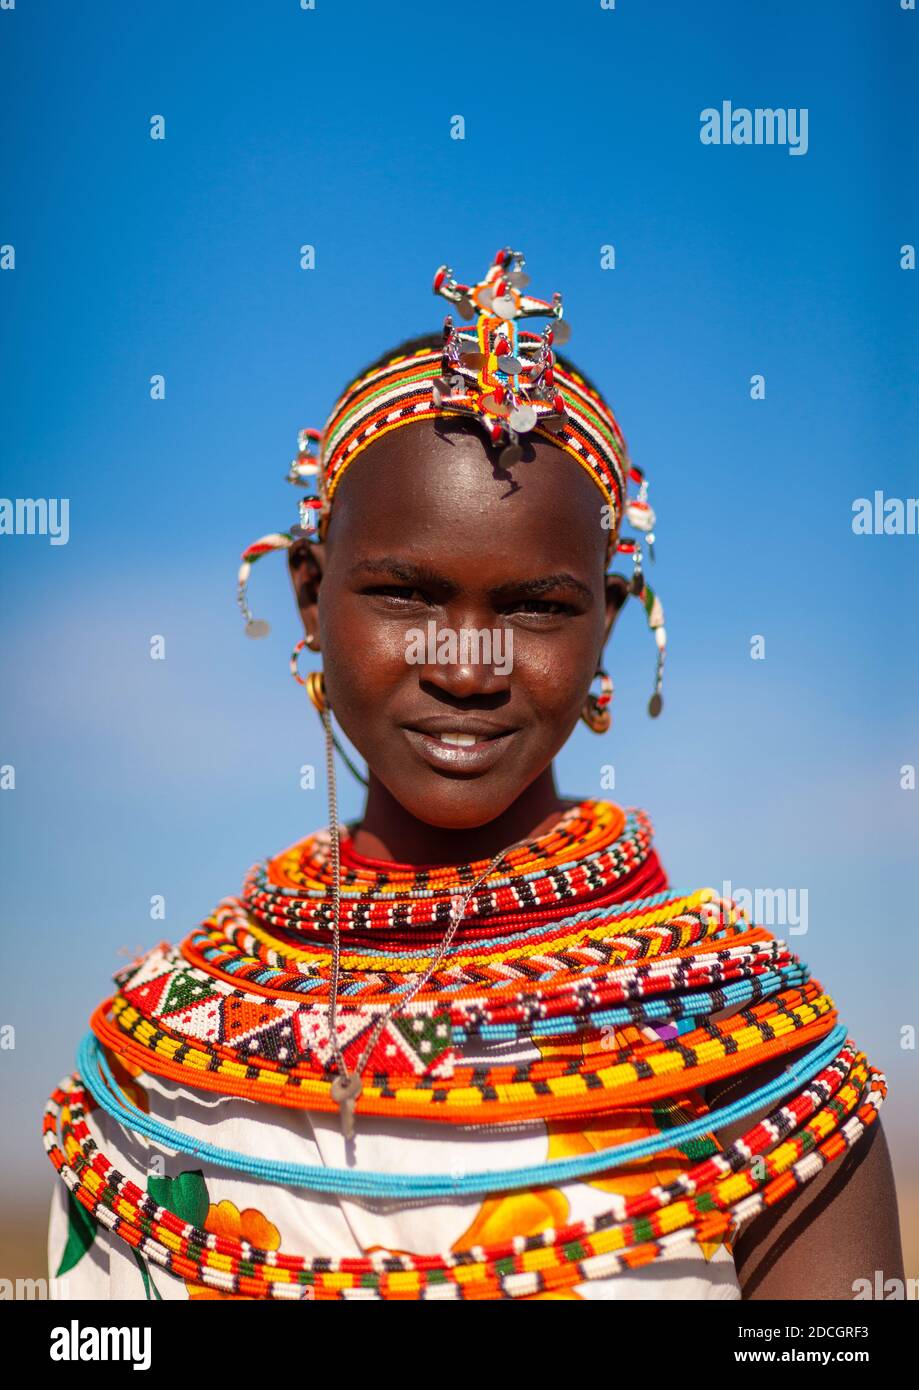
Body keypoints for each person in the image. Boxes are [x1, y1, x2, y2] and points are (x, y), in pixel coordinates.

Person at [45, 248, 902, 1300]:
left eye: (536, 608)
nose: (466, 666)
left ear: (606, 627)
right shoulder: (152, 1064)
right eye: (404, 594)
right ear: (311, 601)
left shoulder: (754, 1054)